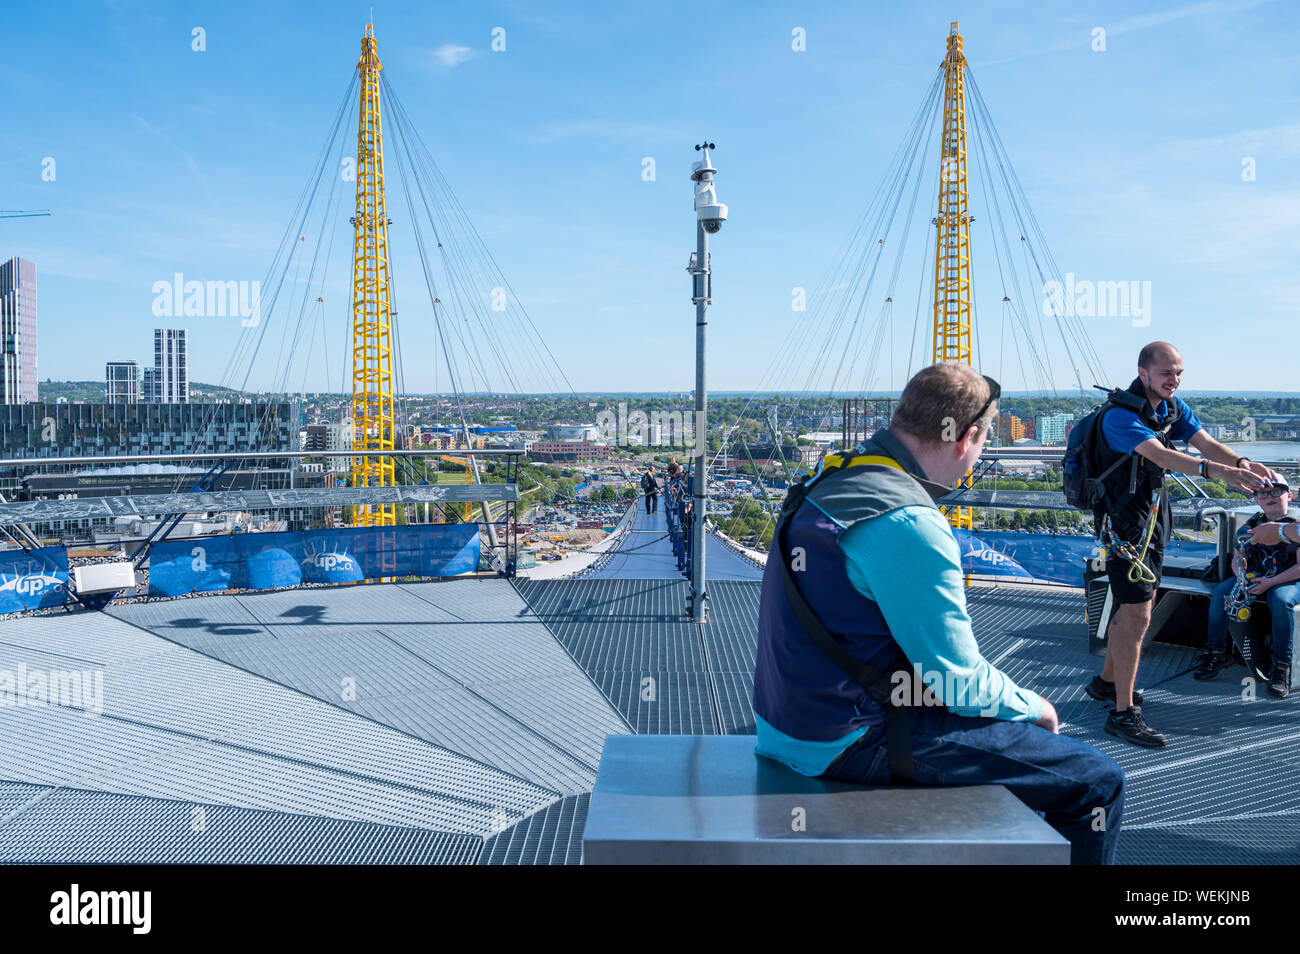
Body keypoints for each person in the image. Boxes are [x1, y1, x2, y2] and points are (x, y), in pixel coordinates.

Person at [752, 361, 1125, 864]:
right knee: (1096, 781)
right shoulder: (907, 521)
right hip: (848, 740)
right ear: (967, 437)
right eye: (985, 440)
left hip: (784, 723)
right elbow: (956, 682)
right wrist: (1037, 708)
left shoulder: (834, 477)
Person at [1084, 342, 1271, 747]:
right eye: (1167, 372)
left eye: (1179, 372)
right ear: (1143, 372)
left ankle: (1106, 684)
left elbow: (1204, 443)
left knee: (1133, 607)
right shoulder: (1120, 416)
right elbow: (1163, 457)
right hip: (1125, 521)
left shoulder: (1171, 409)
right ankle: (1122, 713)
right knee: (1136, 615)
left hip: (1151, 514)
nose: (1174, 379)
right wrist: (1218, 473)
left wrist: (1241, 464)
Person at [1197, 478, 1299, 698]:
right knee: (1221, 594)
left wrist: (1271, 582)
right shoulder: (1252, 525)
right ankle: (1217, 651)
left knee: (1281, 601)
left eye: (1276, 492)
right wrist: (1242, 579)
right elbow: (1238, 558)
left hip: (1290, 577)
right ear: (1256, 499)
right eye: (1263, 494)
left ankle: (1281, 666)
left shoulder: (1296, 525)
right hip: (1255, 576)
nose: (1269, 498)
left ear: (1290, 496)